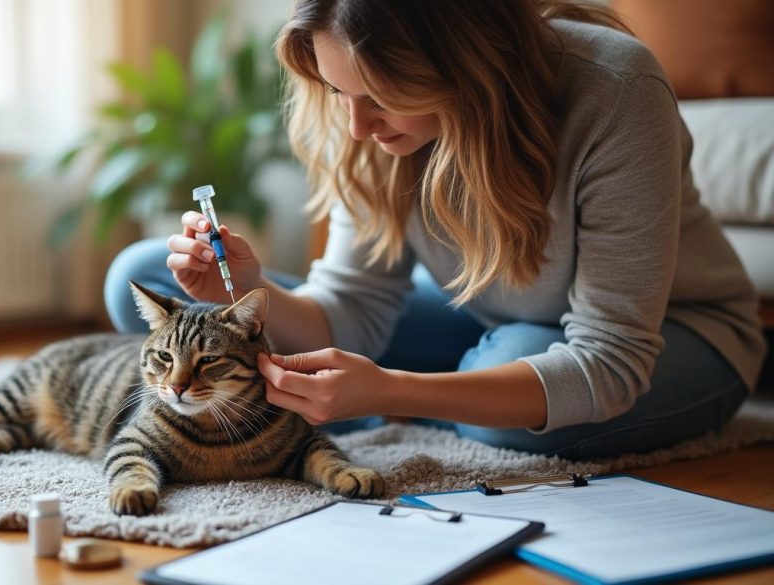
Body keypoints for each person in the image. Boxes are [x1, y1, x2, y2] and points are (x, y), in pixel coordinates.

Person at [103, 0, 767, 460]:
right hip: (480, 316)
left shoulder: (616, 89)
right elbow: (352, 312)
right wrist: (247, 288)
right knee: (141, 273)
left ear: (463, 62)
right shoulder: (365, 118)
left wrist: (393, 388)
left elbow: (611, 362)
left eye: (379, 97)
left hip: (675, 335)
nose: (355, 127)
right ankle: (433, 393)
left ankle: (416, 398)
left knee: (505, 379)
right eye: (338, 92)